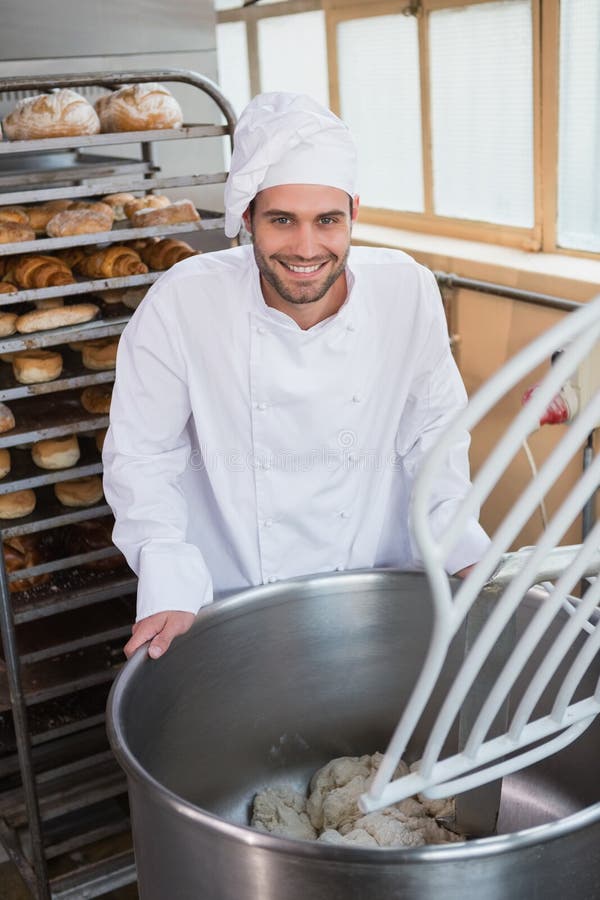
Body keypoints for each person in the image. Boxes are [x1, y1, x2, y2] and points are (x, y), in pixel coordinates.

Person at [102, 92, 489, 661]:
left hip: (375, 583)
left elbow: (433, 433)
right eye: (282, 220)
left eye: (327, 220)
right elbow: (142, 453)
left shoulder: (405, 290)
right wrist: (167, 574)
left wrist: (461, 543)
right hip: (229, 591)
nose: (306, 248)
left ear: (354, 213)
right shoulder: (184, 300)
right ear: (246, 220)